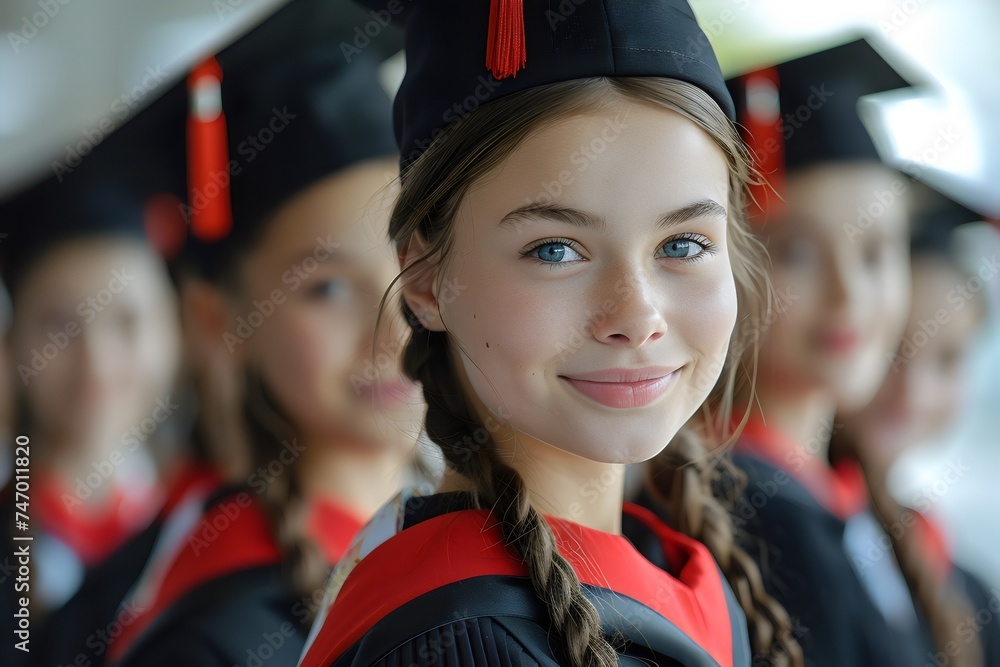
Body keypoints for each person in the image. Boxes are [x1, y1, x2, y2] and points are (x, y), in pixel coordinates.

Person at [299, 1, 801, 665]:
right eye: (555, 250)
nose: (637, 315)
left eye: (683, 242)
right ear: (425, 277)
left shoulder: (675, 572)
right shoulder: (459, 644)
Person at [108, 34, 425, 667]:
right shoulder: (214, 638)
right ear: (217, 319)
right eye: (328, 288)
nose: (395, 329)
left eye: (413, 265)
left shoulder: (450, 547)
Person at [724, 38, 984, 667]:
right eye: (798, 254)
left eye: (875, 252)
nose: (851, 295)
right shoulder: (740, 512)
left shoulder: (842, 501)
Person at [0, 157, 187, 667]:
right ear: (11, 346)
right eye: (59, 325)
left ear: (176, 330)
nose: (96, 364)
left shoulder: (201, 515)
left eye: (127, 320)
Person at [831, 198, 1000, 665]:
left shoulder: (954, 574)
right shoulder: (801, 519)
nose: (915, 392)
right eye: (893, 350)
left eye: (946, 358)